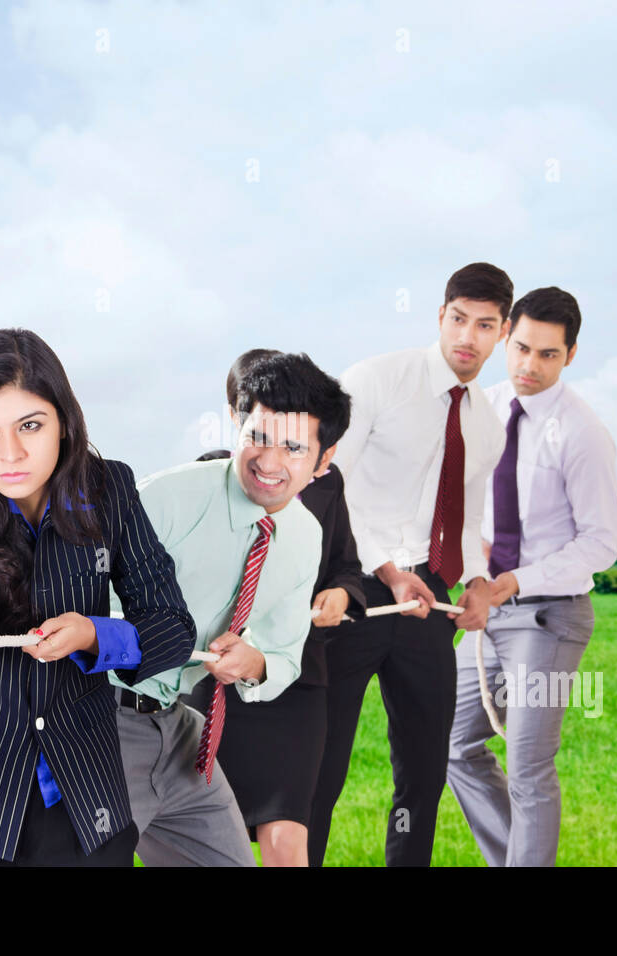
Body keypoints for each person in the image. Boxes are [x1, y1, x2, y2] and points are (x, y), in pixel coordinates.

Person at [0, 327, 196, 866]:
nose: (9, 453)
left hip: (83, 804)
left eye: (30, 425)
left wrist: (97, 635)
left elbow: (172, 626)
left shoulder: (110, 489)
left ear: (65, 423)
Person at [309, 262, 512, 866]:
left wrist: (475, 580)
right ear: (440, 315)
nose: (467, 338)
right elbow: (333, 481)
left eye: (484, 325)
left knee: (425, 767)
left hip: (428, 596)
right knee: (322, 764)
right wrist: (386, 568)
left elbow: (468, 518)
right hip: (353, 589)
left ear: (501, 331)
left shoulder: (486, 422)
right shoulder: (375, 380)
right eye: (458, 320)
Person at [109, 352, 345, 866]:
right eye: (258, 437)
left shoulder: (304, 538)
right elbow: (85, 609)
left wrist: (252, 663)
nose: (268, 461)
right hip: (102, 719)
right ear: (237, 425)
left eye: (294, 447)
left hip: (179, 731)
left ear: (324, 461)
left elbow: (283, 654)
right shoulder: (165, 499)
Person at [447, 286, 617, 866]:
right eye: (521, 348)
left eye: (547, 354)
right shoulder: (483, 408)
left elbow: (601, 543)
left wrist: (515, 580)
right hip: (486, 609)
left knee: (527, 766)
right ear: (504, 339)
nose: (529, 365)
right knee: (453, 746)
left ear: (570, 355)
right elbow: (464, 502)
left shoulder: (582, 433)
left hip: (547, 617)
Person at [189, 349, 364, 866]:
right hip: (212, 676)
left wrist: (341, 593)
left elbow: (345, 565)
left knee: (288, 835)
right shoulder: (207, 478)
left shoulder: (327, 485)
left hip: (294, 678)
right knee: (203, 833)